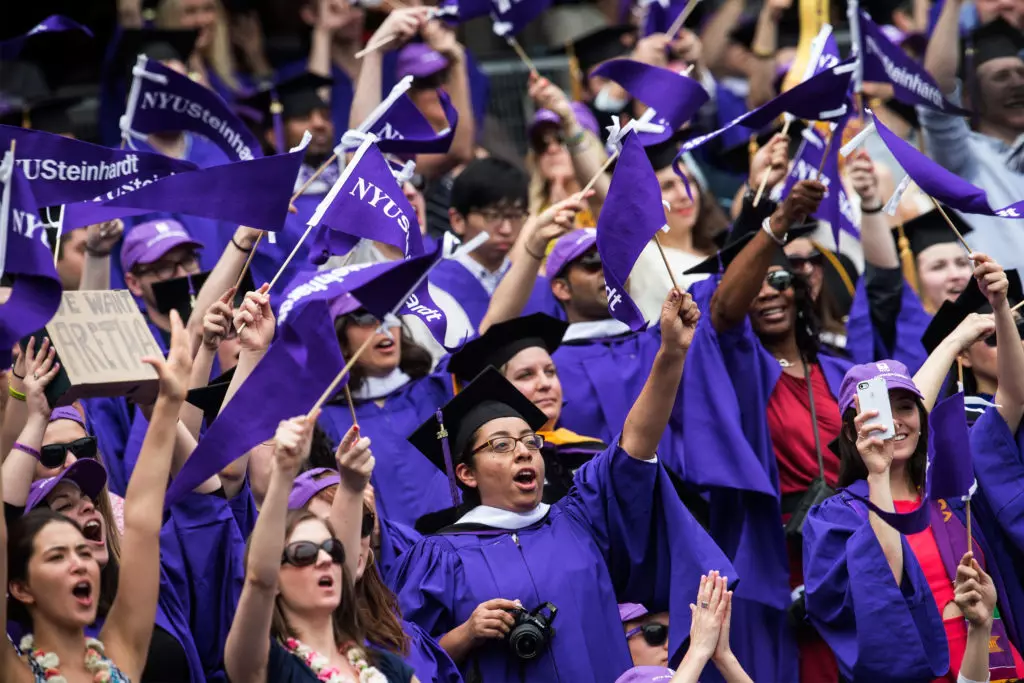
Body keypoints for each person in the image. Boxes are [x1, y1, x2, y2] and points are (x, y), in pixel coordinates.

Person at [389, 289, 735, 682]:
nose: (523, 452)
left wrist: (671, 353)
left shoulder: (580, 519)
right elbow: (400, 660)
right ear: (466, 473)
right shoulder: (438, 558)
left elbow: (635, 445)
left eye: (530, 441)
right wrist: (466, 633)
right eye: (501, 445)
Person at [679, 179, 848, 682]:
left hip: (849, 548)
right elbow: (724, 312)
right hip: (779, 556)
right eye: (755, 284)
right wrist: (774, 225)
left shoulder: (841, 374)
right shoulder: (744, 368)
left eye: (780, 278)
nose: (768, 292)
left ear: (800, 287)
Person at [804, 353, 1024, 681]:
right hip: (917, 667)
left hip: (990, 658)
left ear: (922, 419)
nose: (894, 422)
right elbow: (877, 595)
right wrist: (878, 473)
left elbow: (1015, 395)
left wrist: (992, 314)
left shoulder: (952, 491)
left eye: (906, 407)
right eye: (878, 411)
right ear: (851, 433)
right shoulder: (835, 519)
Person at [1, 310, 192, 683]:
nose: (81, 563)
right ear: (20, 587)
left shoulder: (123, 652)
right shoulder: (11, 671)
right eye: (57, 555)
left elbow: (140, 523)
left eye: (83, 551)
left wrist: (168, 403)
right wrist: (36, 419)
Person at [224, 412, 419, 683]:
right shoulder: (266, 666)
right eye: (304, 553)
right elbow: (259, 580)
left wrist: (351, 485)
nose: (326, 559)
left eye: (333, 550)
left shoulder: (387, 669)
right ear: (275, 579)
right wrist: (283, 473)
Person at [287, 457, 462, 682]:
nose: (351, 538)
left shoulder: (404, 637)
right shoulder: (280, 657)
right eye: (330, 527)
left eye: (362, 524)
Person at [446, 313, 606, 504]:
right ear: (496, 391)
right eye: (526, 375)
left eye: (550, 372)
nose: (545, 383)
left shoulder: (594, 453)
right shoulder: (484, 471)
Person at [921, 7, 1024, 271]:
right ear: (969, 97)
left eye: (1021, 74)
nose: (1017, 84)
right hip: (1003, 307)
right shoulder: (962, 157)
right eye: (1001, 77)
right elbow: (935, 92)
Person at [846, 192, 976, 374]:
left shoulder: (990, 324)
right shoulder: (903, 338)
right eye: (938, 267)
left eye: (962, 263)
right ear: (912, 278)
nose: (955, 275)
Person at [430, 156, 561, 329]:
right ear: (458, 220)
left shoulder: (540, 289)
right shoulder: (432, 286)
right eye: (493, 216)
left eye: (515, 216)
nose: (506, 229)